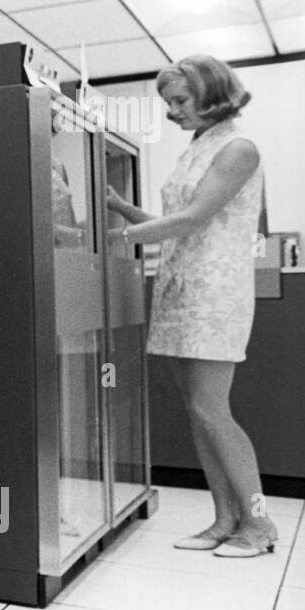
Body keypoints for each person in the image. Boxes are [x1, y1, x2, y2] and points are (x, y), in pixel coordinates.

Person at [107, 55, 275, 558]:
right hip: (181, 289)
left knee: (213, 410)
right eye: (167, 103)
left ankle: (260, 526)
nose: (171, 112)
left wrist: (118, 233)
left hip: (214, 295)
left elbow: (196, 217)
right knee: (197, 412)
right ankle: (225, 519)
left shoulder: (238, 148)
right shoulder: (198, 147)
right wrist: (121, 206)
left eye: (179, 101)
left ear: (212, 93)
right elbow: (175, 219)